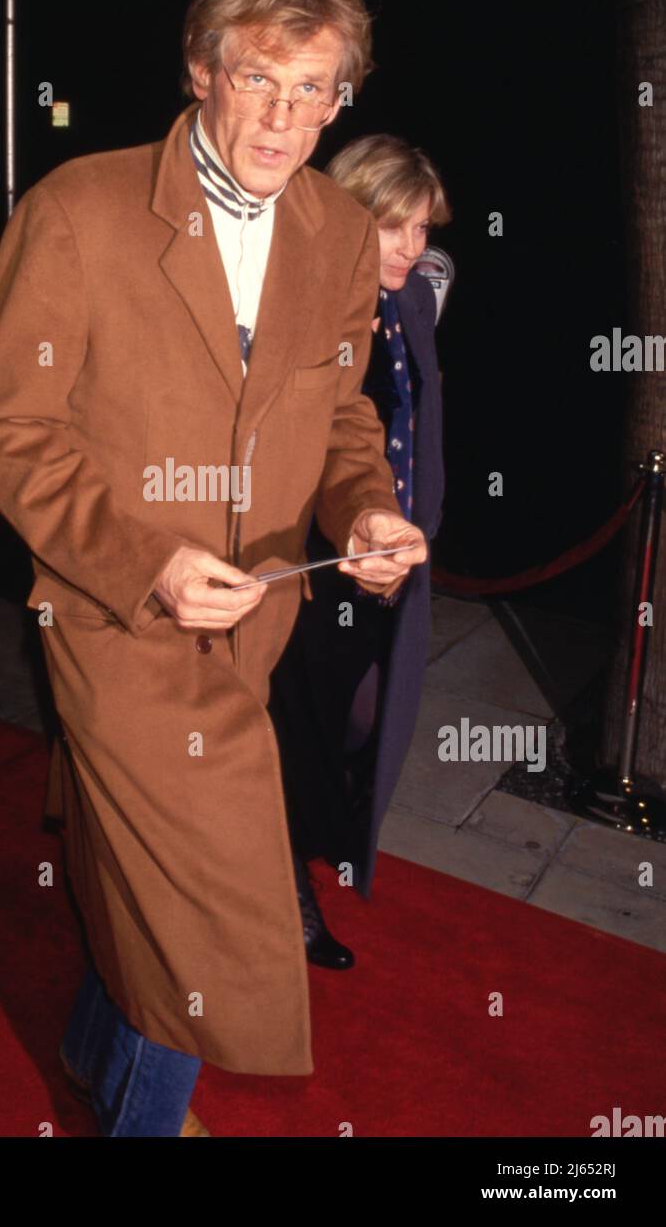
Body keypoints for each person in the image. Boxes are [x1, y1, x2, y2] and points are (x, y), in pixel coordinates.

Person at [0, 0, 427, 1137]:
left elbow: (339, 409)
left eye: (315, 86)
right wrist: (143, 561)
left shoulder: (331, 228)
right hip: (114, 615)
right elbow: (4, 428)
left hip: (256, 615)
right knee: (215, 895)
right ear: (203, 71)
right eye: (259, 78)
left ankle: (90, 1045)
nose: (284, 116)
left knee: (149, 875)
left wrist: (363, 505)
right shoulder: (78, 209)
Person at [269, 134, 450, 966]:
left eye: (421, 229)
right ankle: (285, 889)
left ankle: (298, 839)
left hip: (390, 550)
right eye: (390, 229)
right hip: (311, 555)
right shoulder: (302, 305)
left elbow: (418, 421)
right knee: (300, 722)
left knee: (367, 716)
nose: (410, 249)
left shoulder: (413, 300)